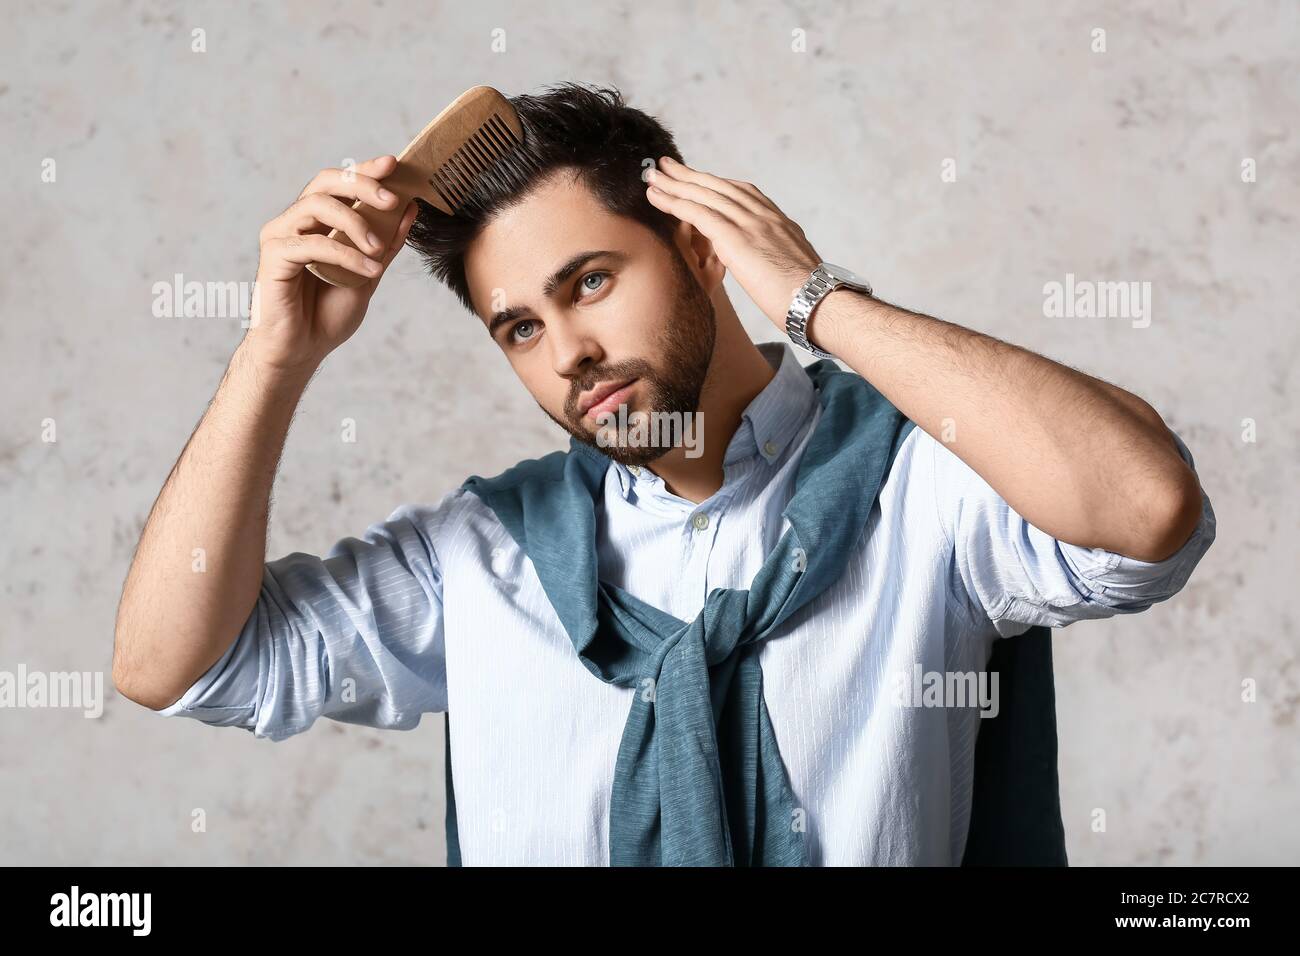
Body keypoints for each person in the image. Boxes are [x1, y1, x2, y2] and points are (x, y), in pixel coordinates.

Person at [113, 83, 1215, 865]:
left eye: (589, 281)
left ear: (698, 246)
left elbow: (1145, 507)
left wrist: (824, 301)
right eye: (519, 328)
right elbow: (171, 664)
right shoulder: (483, 557)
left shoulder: (920, 488)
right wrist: (275, 354)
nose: (565, 353)